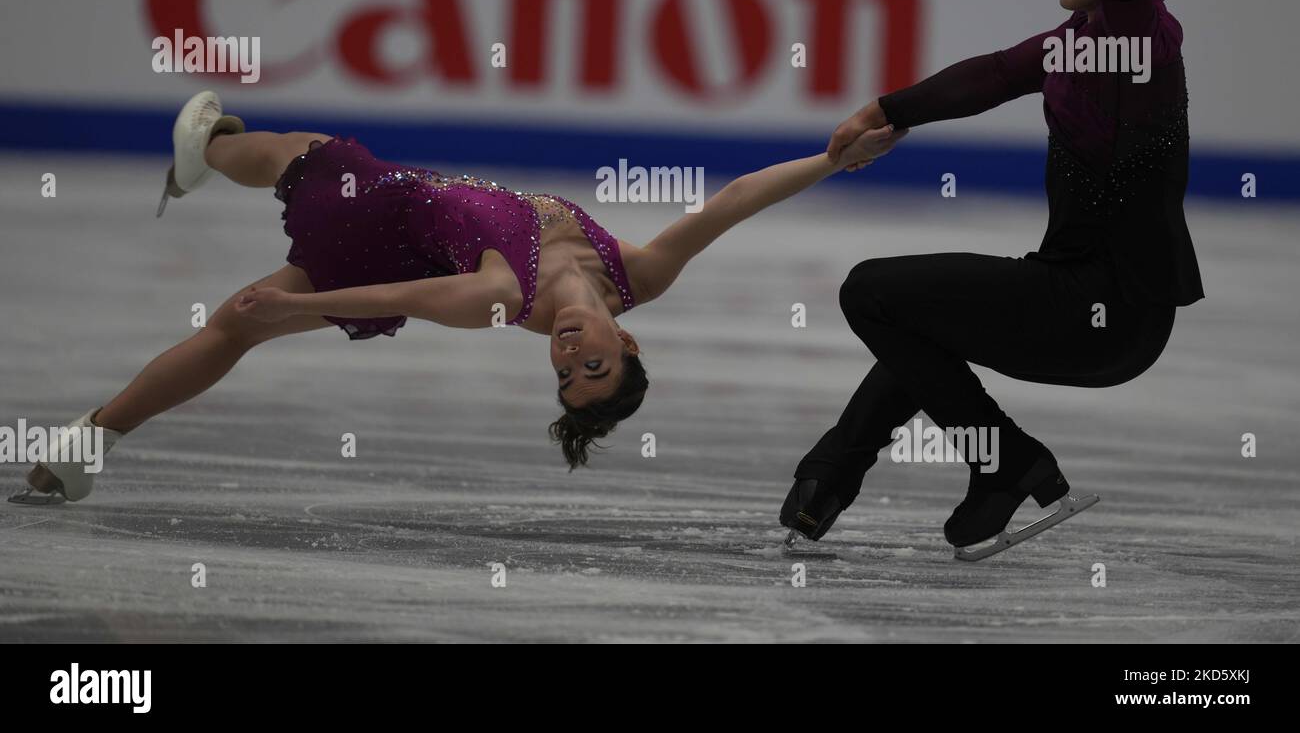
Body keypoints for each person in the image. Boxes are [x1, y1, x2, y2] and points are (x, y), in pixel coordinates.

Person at [14, 92, 907, 504]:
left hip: (382, 207)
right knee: (238, 316)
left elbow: (411, 290)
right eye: (591, 363)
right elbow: (733, 201)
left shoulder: (500, 300)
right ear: (628, 346)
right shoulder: (642, 275)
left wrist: (296, 307)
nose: (568, 355)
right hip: (384, 229)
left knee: (304, 156)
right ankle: (89, 440)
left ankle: (207, 152)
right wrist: (833, 161)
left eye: (564, 376)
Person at [781, 0, 1202, 555]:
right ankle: (836, 477)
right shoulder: (1080, 44)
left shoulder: (1142, 42)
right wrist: (886, 111)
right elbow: (994, 75)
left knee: (871, 291)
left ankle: (1003, 461)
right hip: (1076, 297)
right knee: (920, 318)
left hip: (1108, 308)